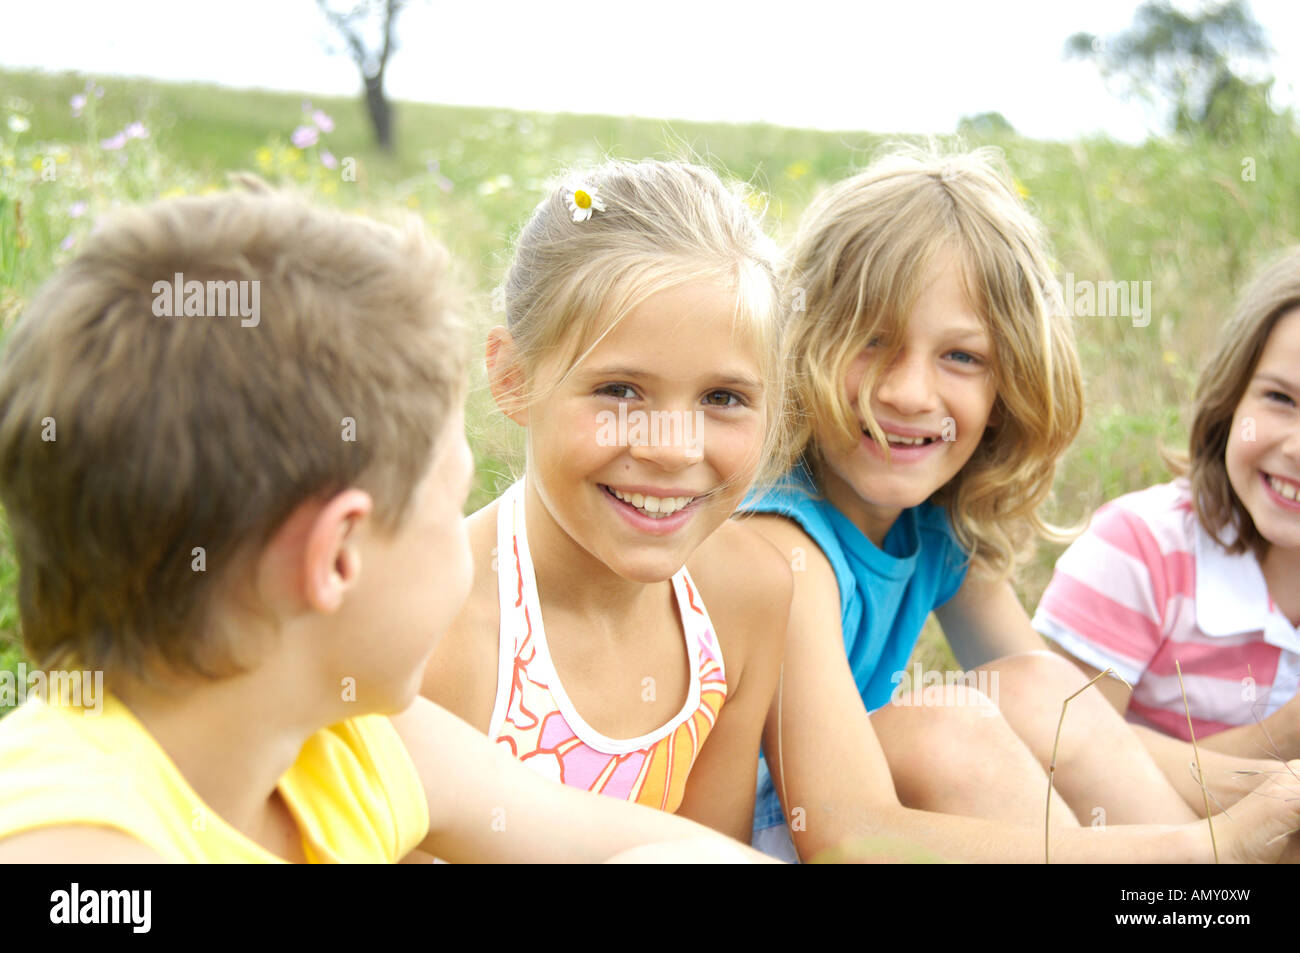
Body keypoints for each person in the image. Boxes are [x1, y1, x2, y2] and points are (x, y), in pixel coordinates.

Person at [0, 183, 775, 863]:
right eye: (449, 505)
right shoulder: (73, 843)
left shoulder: (351, 742)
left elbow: (636, 843)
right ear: (337, 555)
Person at [737, 147, 1300, 862]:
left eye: (961, 357)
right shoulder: (780, 546)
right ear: (802, 341)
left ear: (1008, 389)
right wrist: (1194, 846)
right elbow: (849, 833)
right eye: (871, 339)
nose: (909, 392)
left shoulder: (935, 527)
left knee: (1038, 689)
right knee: (951, 729)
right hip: (750, 842)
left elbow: (1075, 731)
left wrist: (1272, 791)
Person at [422, 160, 791, 842]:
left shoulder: (745, 595)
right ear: (512, 377)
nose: (674, 448)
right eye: (620, 390)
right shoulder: (438, 629)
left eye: (722, 398)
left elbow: (709, 854)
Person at [1035, 246, 1300, 763]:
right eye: (1279, 399)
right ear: (1231, 401)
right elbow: (1056, 761)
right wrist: (1288, 734)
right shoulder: (1137, 551)